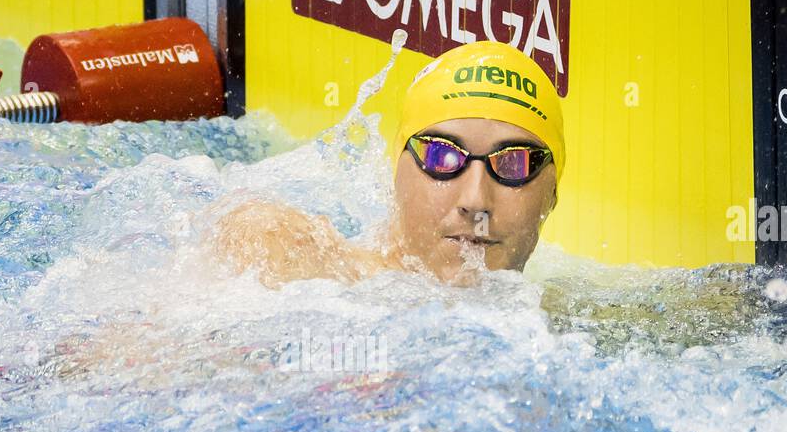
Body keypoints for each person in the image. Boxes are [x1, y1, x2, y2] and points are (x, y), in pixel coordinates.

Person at [209, 39, 566, 286]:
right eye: (443, 157)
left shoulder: (561, 322)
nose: (475, 202)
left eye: (512, 165)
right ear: (396, 173)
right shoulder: (297, 262)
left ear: (552, 195)